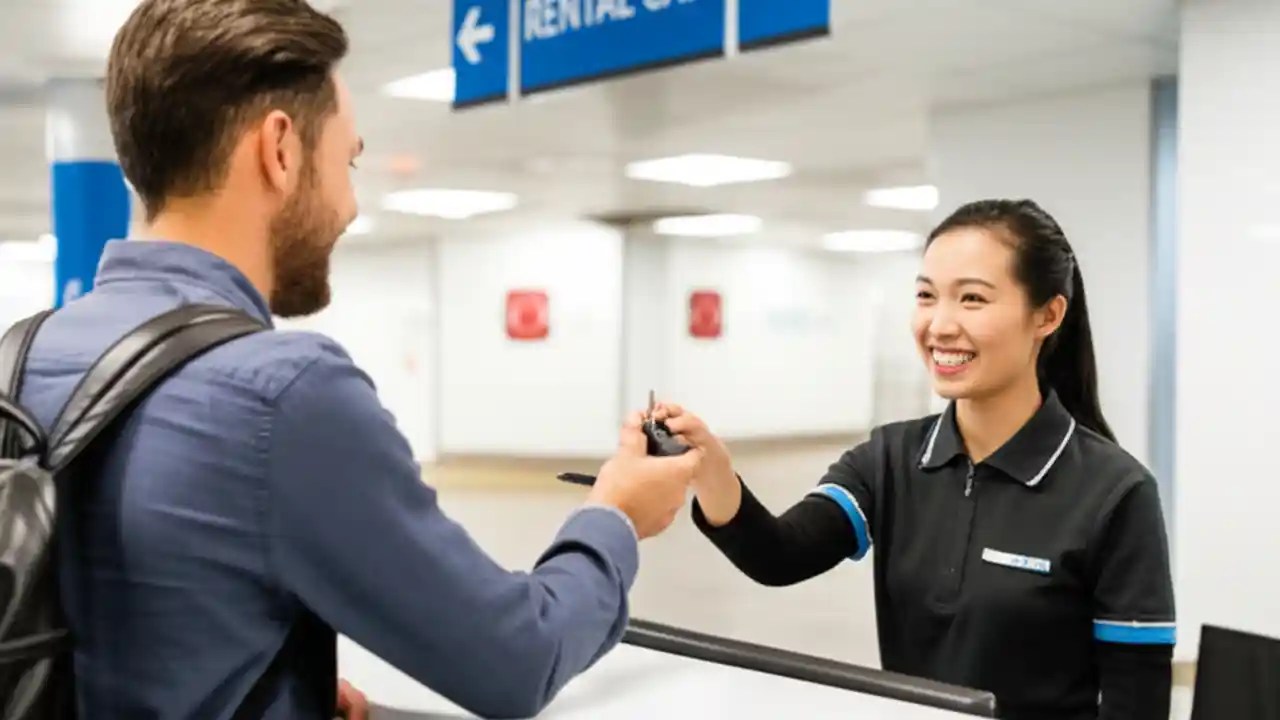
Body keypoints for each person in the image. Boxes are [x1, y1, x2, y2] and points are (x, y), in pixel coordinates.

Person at [16, 1, 702, 718]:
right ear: (279, 150)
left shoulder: (24, 354)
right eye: (347, 160)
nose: (348, 204)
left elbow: (118, 624)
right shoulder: (283, 395)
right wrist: (616, 515)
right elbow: (517, 659)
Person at [657, 199, 1175, 720]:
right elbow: (779, 555)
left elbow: (1138, 702)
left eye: (972, 299)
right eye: (926, 296)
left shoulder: (1116, 493)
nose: (940, 325)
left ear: (1047, 314)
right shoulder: (890, 459)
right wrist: (712, 470)